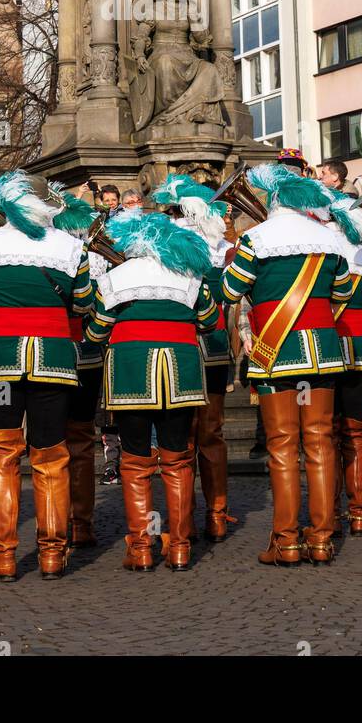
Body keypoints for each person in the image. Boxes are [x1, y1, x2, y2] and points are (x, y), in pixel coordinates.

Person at [0, 170, 93, 581]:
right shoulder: (72, 248)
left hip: (3, 363)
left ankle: (2, 555)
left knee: (1, 455)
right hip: (53, 362)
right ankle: (53, 553)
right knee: (51, 455)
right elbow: (85, 300)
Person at [221, 164, 352, 567]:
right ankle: (322, 539)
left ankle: (287, 540)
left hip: (278, 354)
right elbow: (343, 291)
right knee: (320, 443)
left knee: (282, 447)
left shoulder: (255, 239)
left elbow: (230, 289)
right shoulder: (329, 239)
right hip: (323, 354)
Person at [85, 209, 219, 571]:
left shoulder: (115, 277)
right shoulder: (190, 274)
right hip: (181, 368)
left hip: (132, 369)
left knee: (135, 461)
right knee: (177, 459)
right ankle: (178, 546)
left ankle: (142, 547)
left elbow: (96, 332)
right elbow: (209, 320)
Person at [152, 173, 234, 541]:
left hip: (176, 345)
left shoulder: (161, 244)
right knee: (211, 432)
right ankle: (216, 515)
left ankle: (182, 517)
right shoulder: (222, 246)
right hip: (213, 345)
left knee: (179, 435)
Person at [319, 187, 362, 537]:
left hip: (326, 346)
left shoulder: (320, 252)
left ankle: (331, 509)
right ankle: (360, 511)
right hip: (358, 345)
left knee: (326, 430)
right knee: (355, 428)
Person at [52, 188, 105, 548]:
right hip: (86, 354)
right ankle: (81, 523)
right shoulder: (93, 257)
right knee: (81, 439)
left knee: (51, 441)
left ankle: (57, 524)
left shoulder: (51, 253)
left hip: (55, 354)